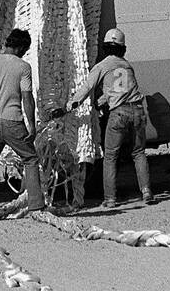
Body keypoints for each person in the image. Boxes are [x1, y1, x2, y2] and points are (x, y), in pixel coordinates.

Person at [55, 28, 153, 207]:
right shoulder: (126, 65)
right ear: (123, 48)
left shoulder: (102, 66)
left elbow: (86, 89)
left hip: (119, 114)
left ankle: (110, 199)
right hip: (138, 111)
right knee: (138, 152)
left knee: (110, 156)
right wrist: (101, 102)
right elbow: (119, 89)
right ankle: (146, 191)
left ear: (105, 47)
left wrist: (69, 106)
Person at [0, 28, 45, 216]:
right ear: (20, 48)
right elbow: (27, 98)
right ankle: (36, 205)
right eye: (25, 49)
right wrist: (32, 125)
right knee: (30, 158)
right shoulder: (22, 67)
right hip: (13, 121)